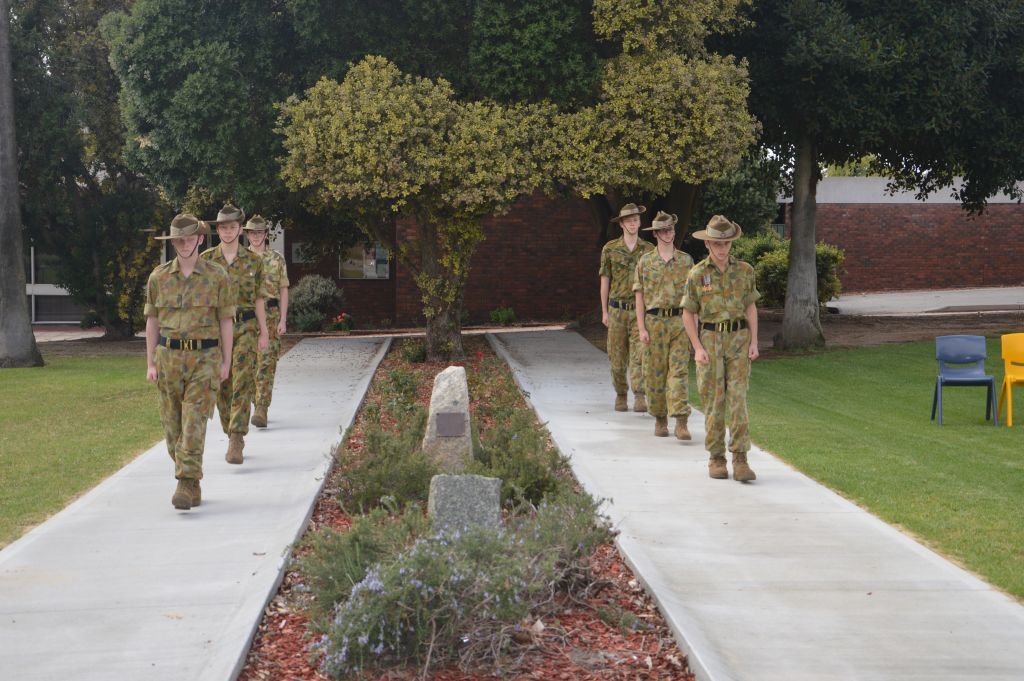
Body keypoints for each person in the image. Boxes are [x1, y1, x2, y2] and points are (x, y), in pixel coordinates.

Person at [145, 214, 234, 510]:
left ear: (199, 239)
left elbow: (225, 321)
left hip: (204, 358)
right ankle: (193, 480)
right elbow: (152, 323)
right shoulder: (158, 278)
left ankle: (184, 482)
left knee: (194, 422)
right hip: (168, 357)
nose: (183, 244)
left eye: (188, 239)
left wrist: (226, 362)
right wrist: (151, 363)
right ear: (173, 243)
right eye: (178, 240)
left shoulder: (217, 276)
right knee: (172, 430)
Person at [682, 215, 760, 481]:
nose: (722, 248)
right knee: (714, 403)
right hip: (710, 341)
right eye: (717, 243)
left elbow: (751, 306)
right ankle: (716, 458)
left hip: (738, 340)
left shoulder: (745, 271)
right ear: (708, 245)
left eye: (726, 243)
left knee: (738, 401)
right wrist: (697, 347)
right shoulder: (697, 274)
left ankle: (740, 459)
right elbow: (688, 313)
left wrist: (754, 341)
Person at [201, 203, 269, 464]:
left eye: (232, 227)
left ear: (240, 229)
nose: (227, 231)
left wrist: (264, 332)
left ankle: (237, 438)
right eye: (223, 227)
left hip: (246, 328)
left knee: (243, 380)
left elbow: (260, 299)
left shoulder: (254, 261)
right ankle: (229, 427)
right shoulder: (207, 260)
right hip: (217, 330)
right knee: (222, 384)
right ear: (218, 230)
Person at [634, 211, 694, 438]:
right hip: (654, 322)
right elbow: (639, 296)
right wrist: (641, 328)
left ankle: (681, 420)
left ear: (674, 231)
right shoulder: (645, 262)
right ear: (655, 234)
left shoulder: (687, 261)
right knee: (655, 374)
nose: (667, 234)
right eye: (662, 231)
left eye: (670, 229)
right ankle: (660, 419)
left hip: (679, 322)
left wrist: (694, 330)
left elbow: (693, 299)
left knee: (678, 372)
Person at [600, 202, 655, 412]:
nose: (633, 223)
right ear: (622, 223)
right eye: (629, 220)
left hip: (639, 311)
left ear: (640, 222)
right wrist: (604, 310)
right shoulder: (610, 249)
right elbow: (605, 280)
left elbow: (652, 283)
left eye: (636, 219)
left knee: (639, 355)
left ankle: (640, 395)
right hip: (616, 310)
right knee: (616, 356)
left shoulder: (649, 250)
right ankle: (621, 393)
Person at [244, 215, 289, 428]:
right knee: (249, 363)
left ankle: (261, 407)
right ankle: (251, 402)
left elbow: (283, 289)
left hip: (270, 314)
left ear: (265, 235)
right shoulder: (241, 259)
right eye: (252, 233)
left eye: (259, 232)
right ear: (247, 235)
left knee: (267, 362)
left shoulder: (276, 259)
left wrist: (283, 319)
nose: (256, 236)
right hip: (246, 317)